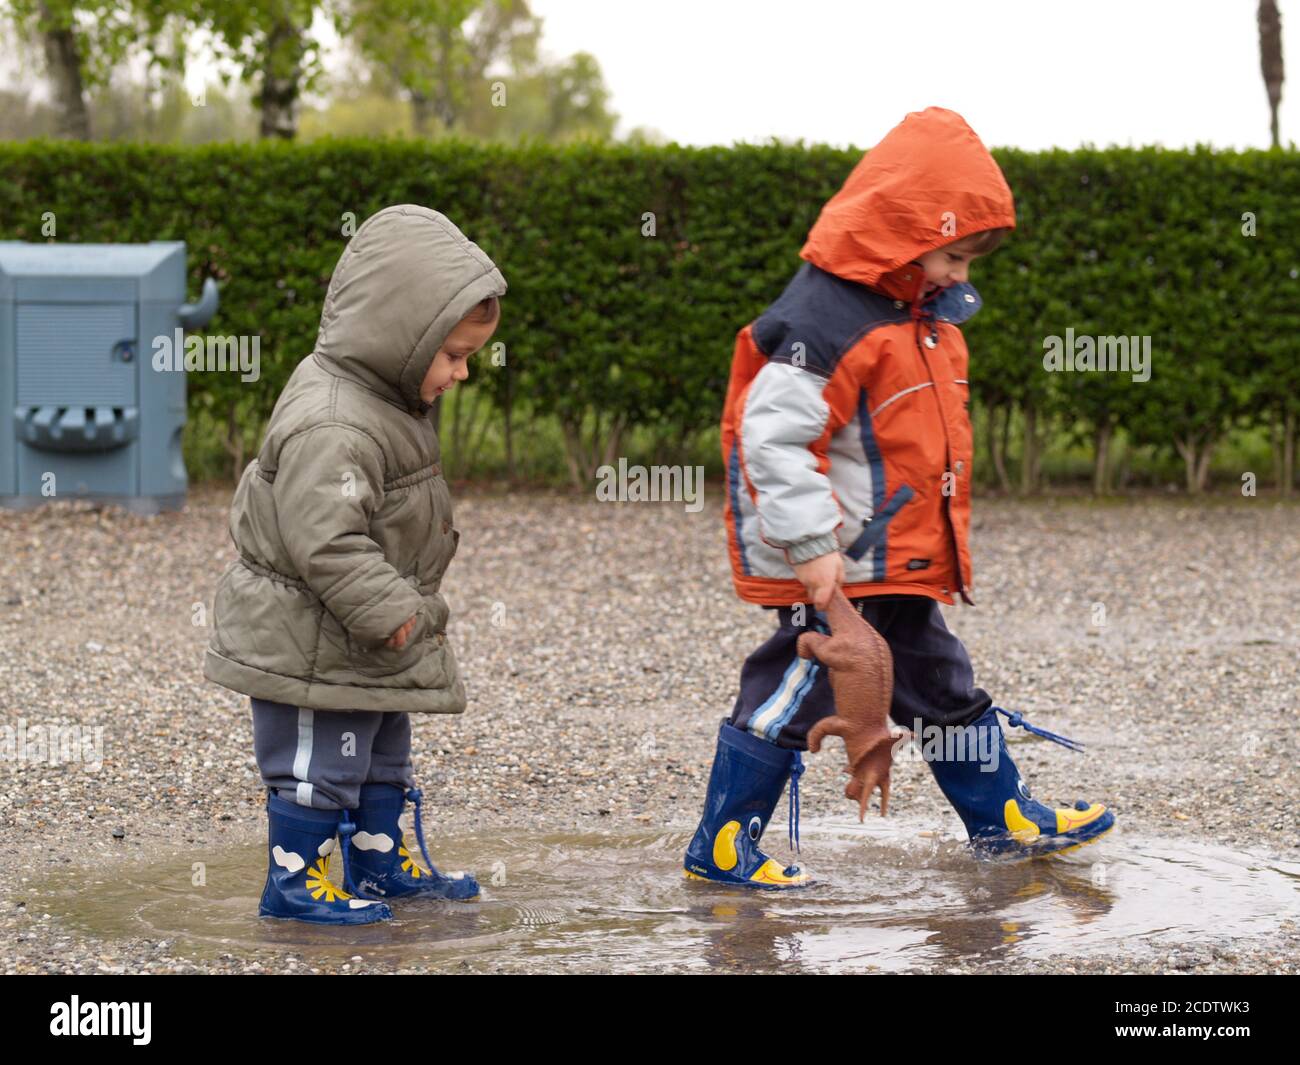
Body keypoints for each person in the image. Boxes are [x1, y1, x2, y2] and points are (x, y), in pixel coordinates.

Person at [684, 108, 1115, 889]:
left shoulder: (923, 319)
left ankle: (1003, 817)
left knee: (943, 686)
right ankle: (722, 843)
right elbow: (772, 438)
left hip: (898, 560)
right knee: (793, 687)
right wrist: (812, 551)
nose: (961, 276)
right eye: (952, 254)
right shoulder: (826, 317)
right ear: (904, 235)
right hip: (840, 563)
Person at [203, 204, 506, 923]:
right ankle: (294, 881)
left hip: (362, 635)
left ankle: (375, 858)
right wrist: (392, 608)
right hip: (312, 637)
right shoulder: (335, 419)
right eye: (454, 354)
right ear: (401, 338)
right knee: (316, 764)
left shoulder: (384, 399)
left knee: (379, 753)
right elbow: (325, 539)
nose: (462, 372)